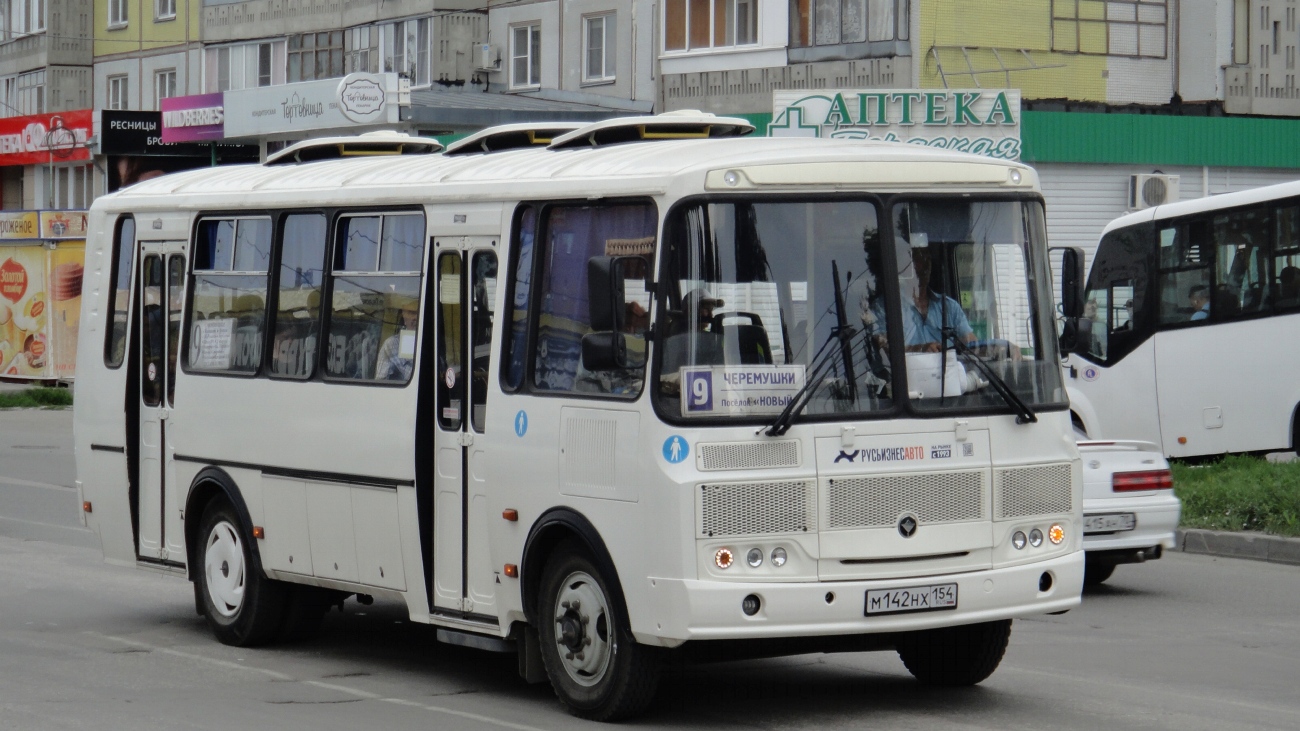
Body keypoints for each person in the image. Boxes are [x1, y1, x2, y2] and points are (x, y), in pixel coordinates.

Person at [375, 303, 418, 381]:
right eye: (412, 313)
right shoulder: (391, 345)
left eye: (419, 313)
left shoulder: (434, 344)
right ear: (404, 318)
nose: (416, 317)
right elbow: (380, 383)